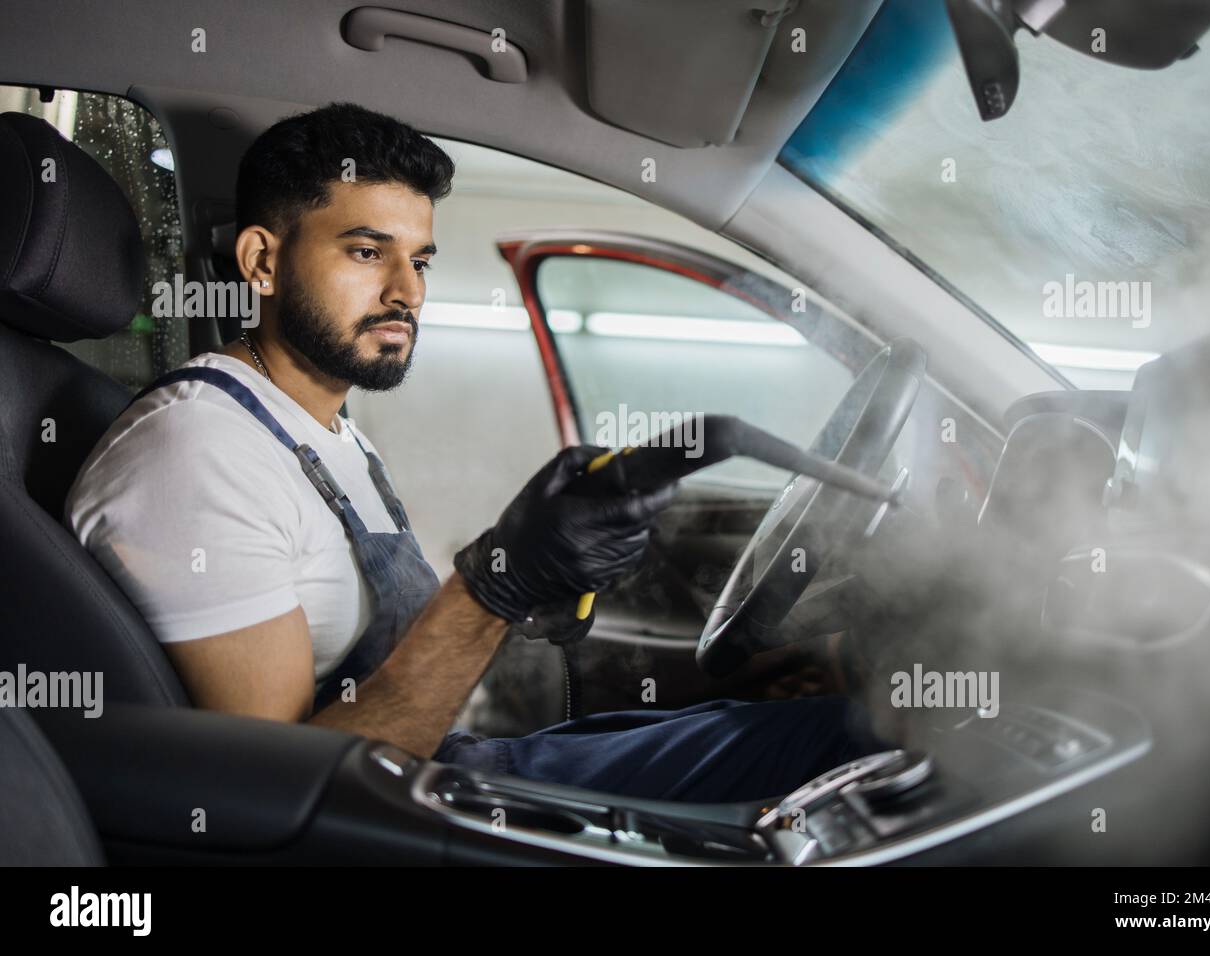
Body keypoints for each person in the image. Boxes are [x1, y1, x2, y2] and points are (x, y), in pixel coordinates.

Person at [65, 102, 889, 804]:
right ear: (261, 262)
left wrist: (544, 566)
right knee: (847, 747)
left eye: (418, 259)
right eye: (366, 252)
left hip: (438, 768)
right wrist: (498, 581)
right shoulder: (197, 453)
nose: (408, 290)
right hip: (389, 816)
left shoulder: (318, 427)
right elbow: (282, 799)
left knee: (816, 731)